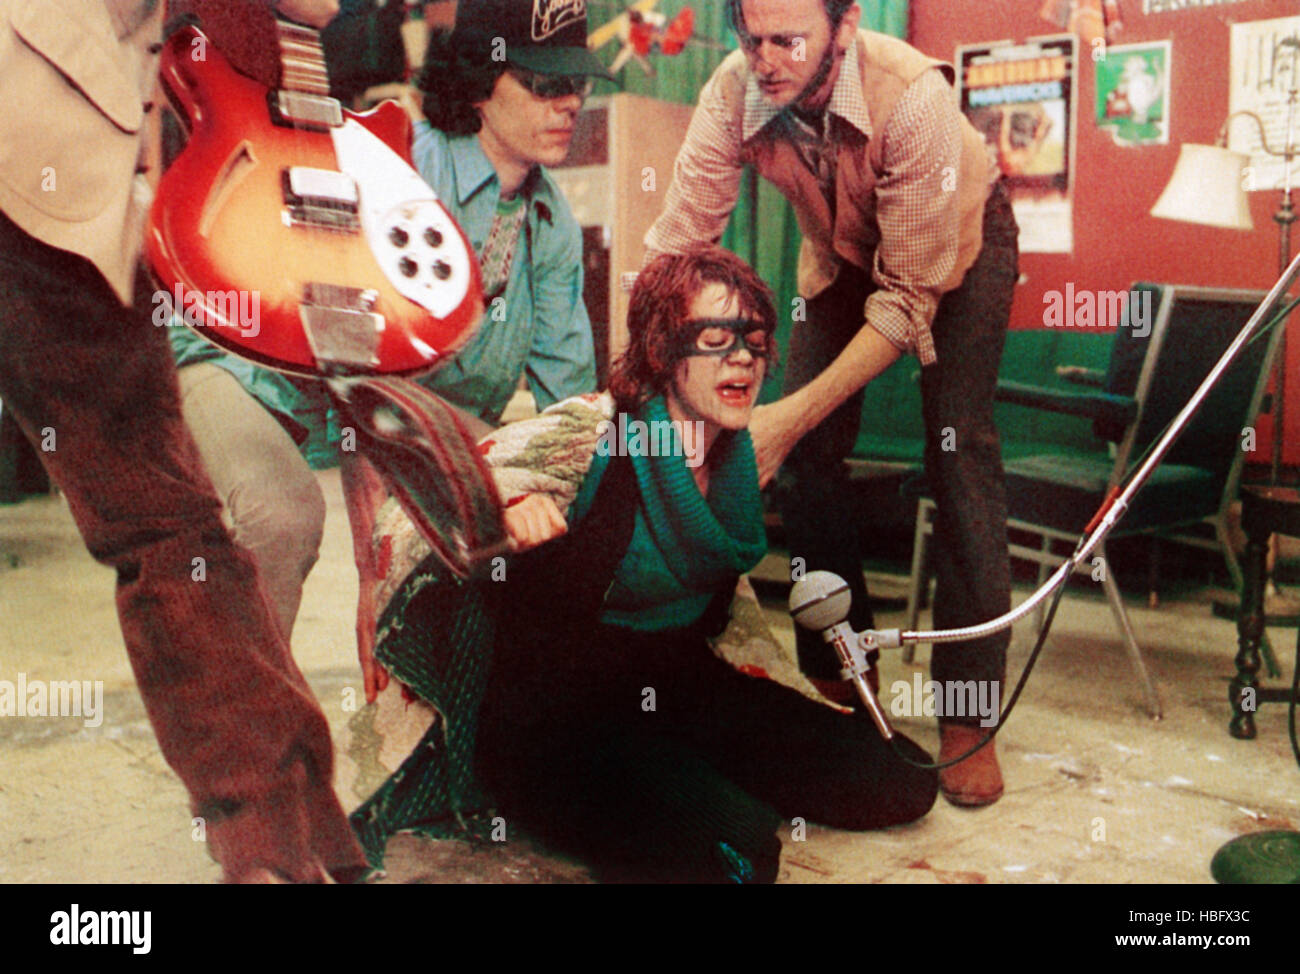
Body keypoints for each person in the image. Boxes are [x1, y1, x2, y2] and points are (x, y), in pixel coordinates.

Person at [350, 246, 938, 882]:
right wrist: (506, 510)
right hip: (553, 723)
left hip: (678, 685)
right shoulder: (594, 434)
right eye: (715, 339)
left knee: (901, 777)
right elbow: (438, 492)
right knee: (737, 854)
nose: (741, 356)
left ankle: (694, 776)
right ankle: (674, 794)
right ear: (661, 352)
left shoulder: (738, 455)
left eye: (755, 341)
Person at [0, 0, 366, 882]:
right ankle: (280, 847)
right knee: (169, 530)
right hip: (42, 150)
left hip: (48, 135)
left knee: (173, 532)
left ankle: (293, 842)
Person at [164, 0, 607, 689]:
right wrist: (381, 571)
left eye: (578, 83)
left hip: (415, 413)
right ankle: (248, 763)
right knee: (283, 519)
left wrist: (565, 493)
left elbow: (567, 407)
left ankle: (468, 748)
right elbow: (363, 386)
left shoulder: (549, 224)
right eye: (544, 84)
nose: (569, 103)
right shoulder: (401, 162)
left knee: (545, 521)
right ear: (480, 86)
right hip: (244, 364)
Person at [644, 0, 1020, 807]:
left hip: (953, 254)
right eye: (752, 39)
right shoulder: (731, 90)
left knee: (957, 446)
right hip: (843, 255)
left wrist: (786, 416)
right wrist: (631, 380)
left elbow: (905, 302)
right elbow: (679, 246)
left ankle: (967, 713)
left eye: (790, 40)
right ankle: (846, 675)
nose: (767, 59)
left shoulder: (914, 96)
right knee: (804, 462)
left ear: (843, 30)